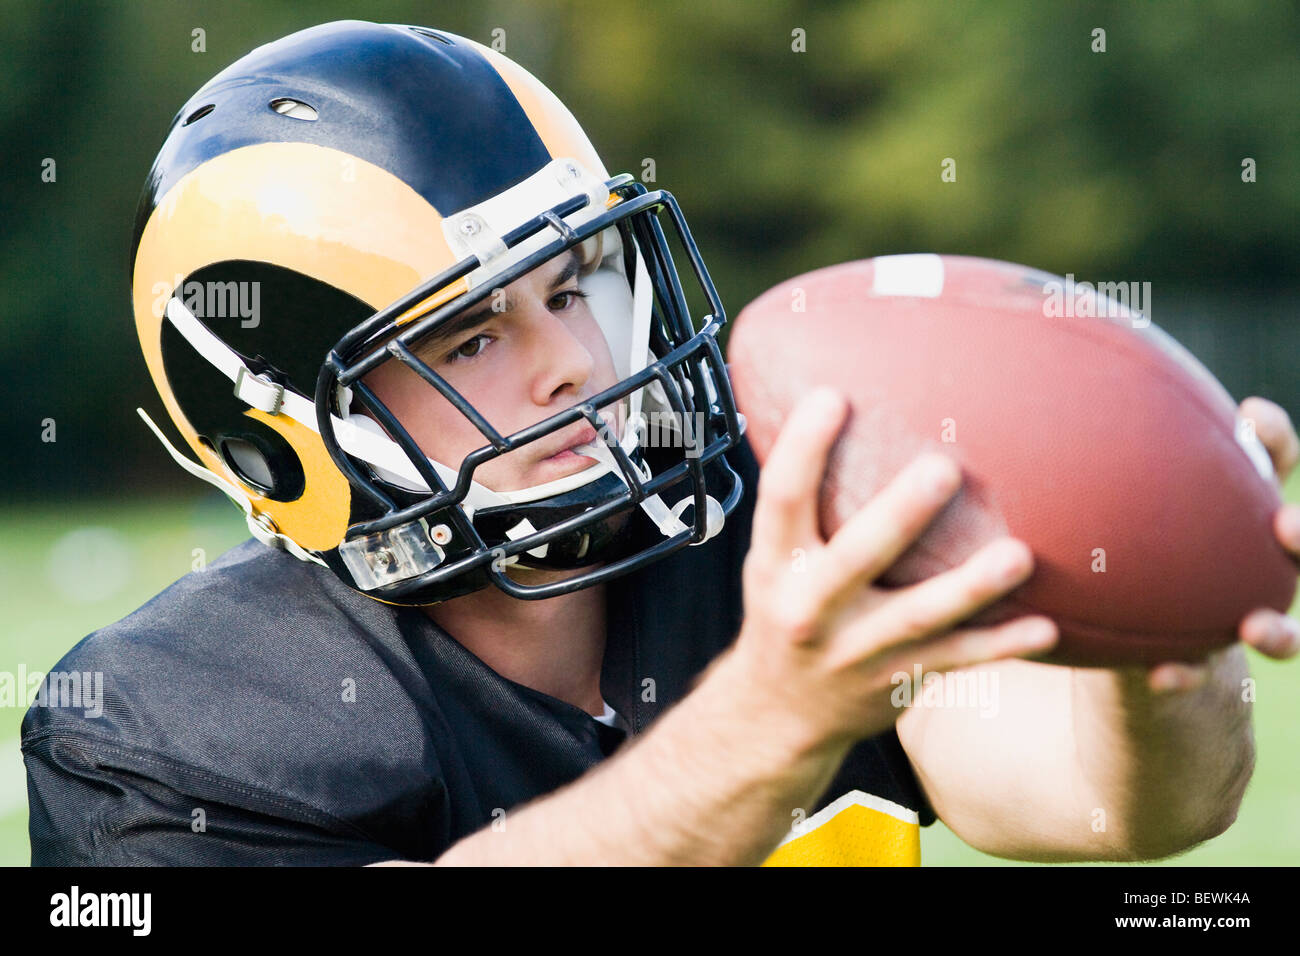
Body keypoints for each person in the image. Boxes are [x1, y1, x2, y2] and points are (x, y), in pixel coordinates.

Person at [23, 20, 1300, 867]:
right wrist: (768, 719)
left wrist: (1151, 644)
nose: (574, 358)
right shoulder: (159, 733)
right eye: (466, 339)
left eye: (576, 280)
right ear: (279, 438)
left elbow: (1112, 804)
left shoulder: (773, 515)